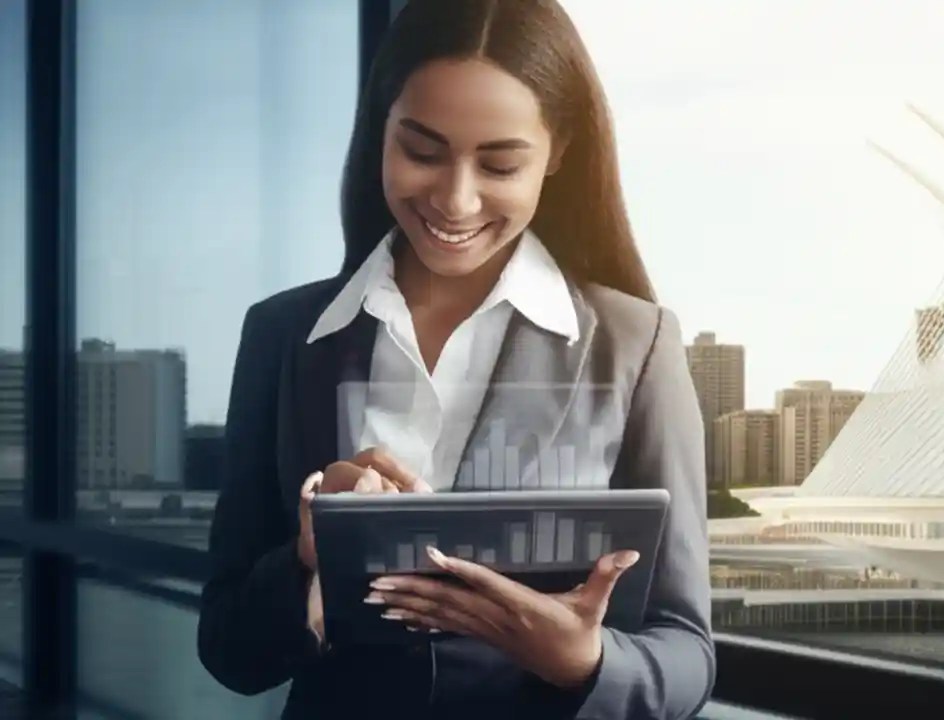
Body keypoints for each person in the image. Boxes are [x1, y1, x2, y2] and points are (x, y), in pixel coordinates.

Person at [195, 0, 715, 718]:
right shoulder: (283, 335)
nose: (456, 199)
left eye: (500, 163)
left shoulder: (637, 345)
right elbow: (228, 649)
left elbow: (687, 652)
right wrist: (310, 560)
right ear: (381, 126)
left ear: (558, 151)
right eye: (422, 151)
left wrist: (583, 660)